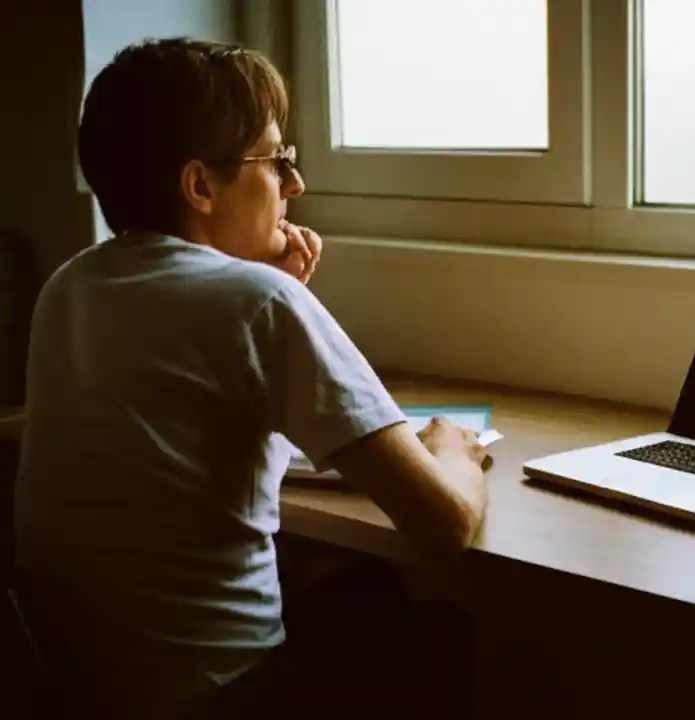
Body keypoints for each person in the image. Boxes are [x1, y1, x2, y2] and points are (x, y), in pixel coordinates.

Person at [14, 37, 488, 719]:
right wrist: (454, 451)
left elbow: (181, 406)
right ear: (200, 185)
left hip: (82, 684)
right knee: (437, 629)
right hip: (220, 692)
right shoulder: (260, 303)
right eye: (274, 161)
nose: (294, 186)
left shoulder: (70, 284)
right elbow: (443, 526)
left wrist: (273, 287)